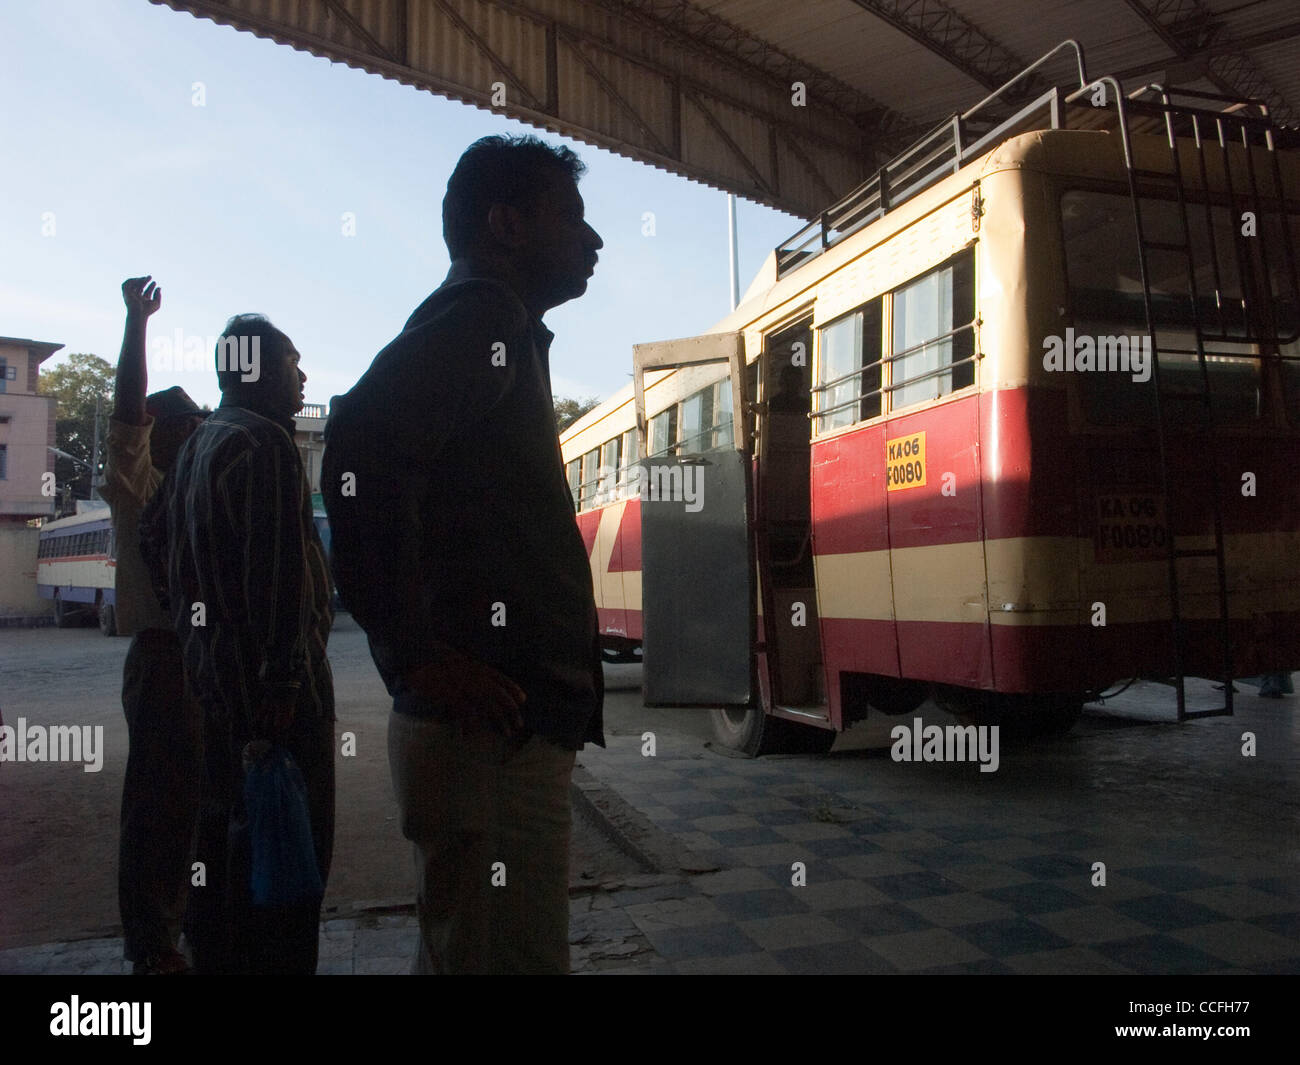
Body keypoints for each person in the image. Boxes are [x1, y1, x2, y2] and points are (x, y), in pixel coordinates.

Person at [322, 134, 606, 974]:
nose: (593, 241)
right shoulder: (485, 316)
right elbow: (360, 450)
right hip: (488, 739)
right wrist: (416, 653)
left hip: (496, 734)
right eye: (574, 216)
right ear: (507, 224)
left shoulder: (499, 327)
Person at [141, 315, 335, 974]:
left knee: (226, 863)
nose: (302, 375)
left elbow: (149, 538)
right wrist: (281, 694)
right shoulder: (266, 445)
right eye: (292, 360)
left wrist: (199, 635)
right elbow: (279, 587)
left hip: (217, 701)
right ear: (254, 367)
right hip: (276, 713)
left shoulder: (196, 448)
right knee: (287, 872)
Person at [101, 276, 206, 975]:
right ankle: (152, 946)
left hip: (202, 663)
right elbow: (127, 412)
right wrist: (137, 322)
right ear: (158, 437)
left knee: (195, 805)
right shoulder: (138, 487)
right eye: (189, 427)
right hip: (166, 660)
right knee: (158, 811)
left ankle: (181, 930)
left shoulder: (199, 493)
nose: (201, 435)